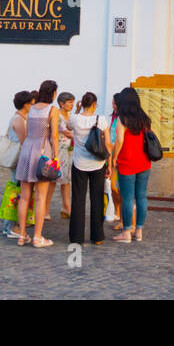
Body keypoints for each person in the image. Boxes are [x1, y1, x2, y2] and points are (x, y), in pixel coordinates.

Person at [14, 79, 61, 247]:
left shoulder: (32, 108)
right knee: (41, 197)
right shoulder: (53, 110)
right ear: (53, 93)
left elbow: (27, 133)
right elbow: (54, 135)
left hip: (27, 150)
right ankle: (37, 237)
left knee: (25, 196)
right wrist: (56, 156)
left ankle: (22, 235)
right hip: (43, 151)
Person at [111, 86, 152, 243]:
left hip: (127, 162)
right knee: (141, 196)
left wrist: (114, 158)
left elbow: (120, 140)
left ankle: (127, 232)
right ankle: (139, 231)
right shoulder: (144, 118)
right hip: (144, 162)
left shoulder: (122, 118)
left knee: (127, 198)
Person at [68, 92, 108, 246]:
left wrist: (77, 110)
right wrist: (109, 164)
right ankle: (97, 236)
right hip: (97, 163)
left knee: (78, 199)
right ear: (94, 104)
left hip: (79, 163)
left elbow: (69, 125)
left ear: (82, 103)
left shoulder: (75, 118)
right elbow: (108, 144)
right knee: (97, 199)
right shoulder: (101, 119)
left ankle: (76, 237)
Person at [1, 90, 33, 238]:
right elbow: (24, 142)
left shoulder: (20, 117)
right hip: (19, 160)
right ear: (25, 104)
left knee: (16, 191)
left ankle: (9, 226)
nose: (33, 104)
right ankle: (10, 227)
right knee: (16, 192)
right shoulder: (19, 120)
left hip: (18, 160)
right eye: (31, 102)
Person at [55, 92, 76, 220]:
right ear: (61, 103)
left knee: (67, 180)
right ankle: (45, 210)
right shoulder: (57, 115)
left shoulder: (68, 115)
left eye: (72, 102)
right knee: (54, 180)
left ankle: (66, 207)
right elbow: (67, 132)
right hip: (60, 149)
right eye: (69, 102)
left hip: (69, 150)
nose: (71, 104)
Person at [107, 93, 125, 232]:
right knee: (112, 187)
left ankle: (122, 217)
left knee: (118, 187)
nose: (113, 106)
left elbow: (119, 139)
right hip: (110, 155)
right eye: (112, 103)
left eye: (115, 104)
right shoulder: (112, 118)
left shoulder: (122, 119)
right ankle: (117, 211)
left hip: (119, 156)